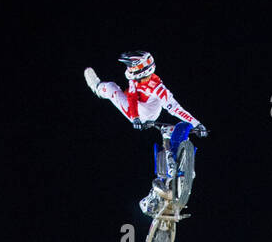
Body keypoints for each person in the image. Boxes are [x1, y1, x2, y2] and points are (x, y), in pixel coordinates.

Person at [84, 52, 207, 217]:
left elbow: (174, 107)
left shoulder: (156, 87)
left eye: (131, 66)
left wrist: (196, 123)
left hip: (144, 114)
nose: (129, 69)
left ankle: (98, 87)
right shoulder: (136, 81)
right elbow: (133, 98)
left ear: (140, 68)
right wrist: (135, 117)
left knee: (113, 88)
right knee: (167, 131)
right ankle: (165, 178)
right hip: (141, 113)